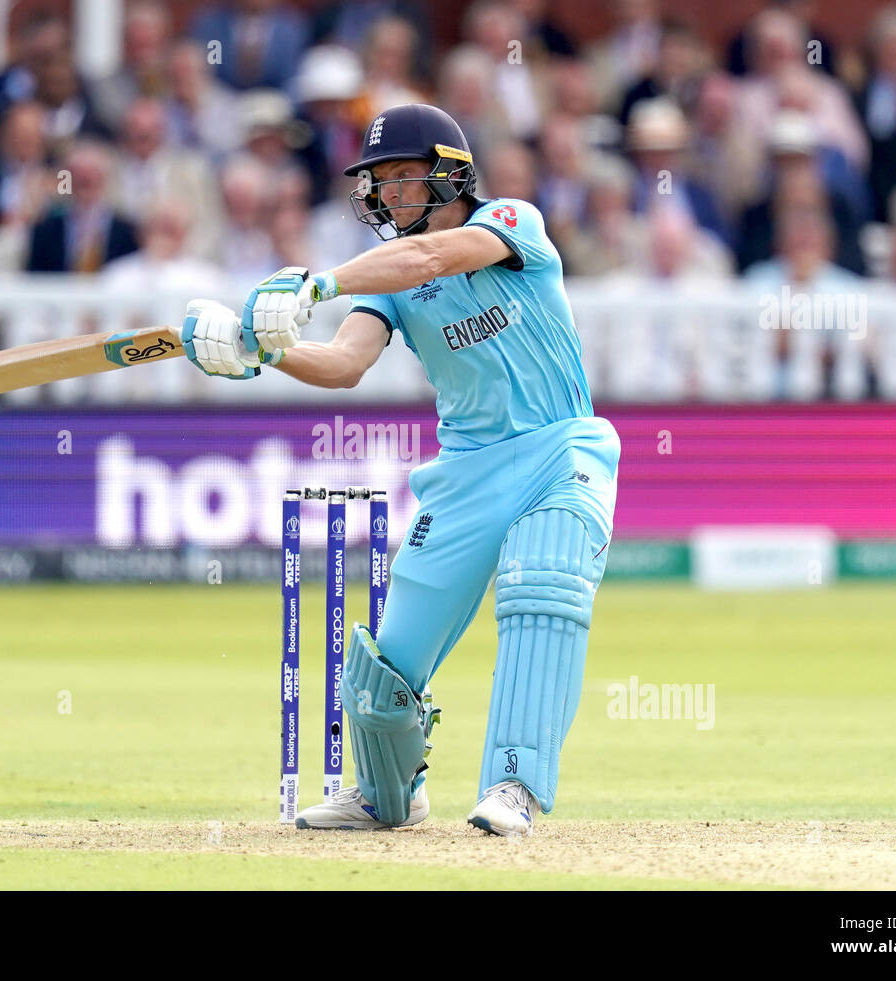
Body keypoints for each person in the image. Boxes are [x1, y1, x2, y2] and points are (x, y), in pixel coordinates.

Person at [179, 104, 620, 836]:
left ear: (450, 174)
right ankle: (389, 795)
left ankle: (513, 784)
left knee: (541, 588)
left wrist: (316, 285)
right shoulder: (385, 284)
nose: (386, 193)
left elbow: (431, 258)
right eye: (377, 181)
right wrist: (259, 352)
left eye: (401, 176)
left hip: (559, 449)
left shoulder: (512, 222)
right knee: (385, 667)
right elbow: (343, 364)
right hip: (466, 473)